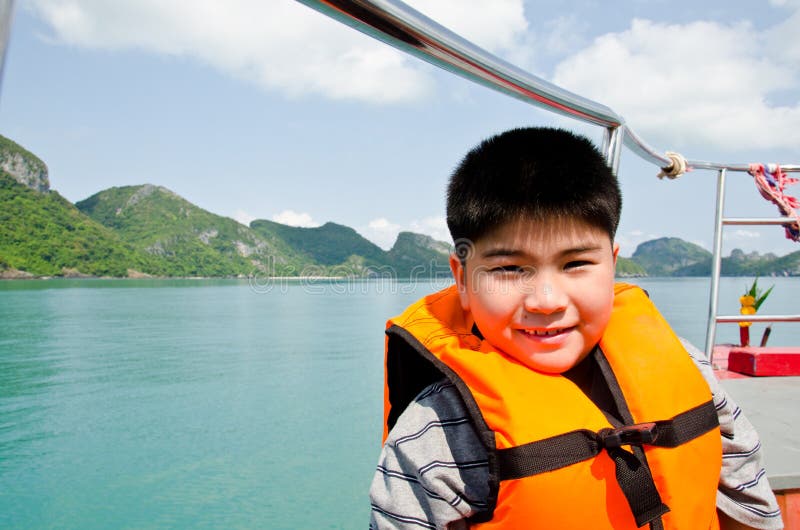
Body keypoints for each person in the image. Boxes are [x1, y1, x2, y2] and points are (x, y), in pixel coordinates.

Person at [369, 127, 783, 529]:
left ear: (613, 264)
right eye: (510, 269)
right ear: (462, 280)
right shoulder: (435, 433)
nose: (547, 300)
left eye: (576, 264)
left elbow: (749, 498)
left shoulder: (689, 366)